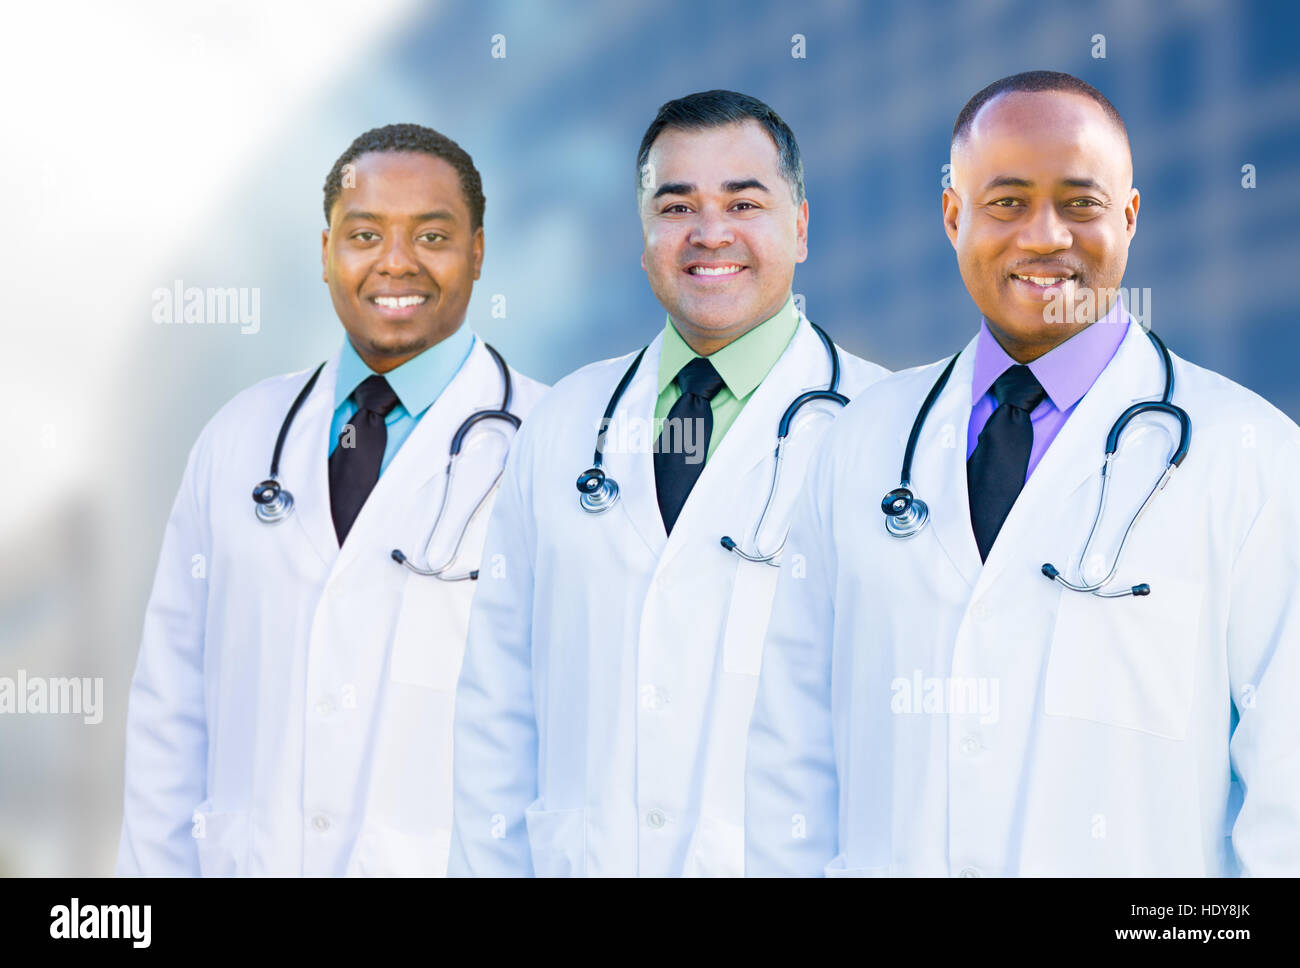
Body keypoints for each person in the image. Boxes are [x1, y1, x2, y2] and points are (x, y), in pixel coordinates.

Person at [745, 70, 1300, 877]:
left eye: (1081, 203)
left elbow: (1288, 793)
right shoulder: (861, 440)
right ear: (952, 216)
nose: (1045, 237)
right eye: (1006, 201)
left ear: (1131, 218)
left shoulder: (1250, 456)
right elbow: (790, 748)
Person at [448, 90, 889, 876]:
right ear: (645, 235)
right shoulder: (562, 424)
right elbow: (497, 710)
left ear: (800, 226)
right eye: (676, 205)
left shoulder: (886, 433)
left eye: (743, 202)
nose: (709, 232)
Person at [117, 123, 548, 875]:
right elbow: (170, 711)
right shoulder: (237, 440)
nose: (395, 262)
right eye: (365, 233)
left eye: (433, 235)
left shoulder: (554, 445)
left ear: (478, 252)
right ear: (325, 254)